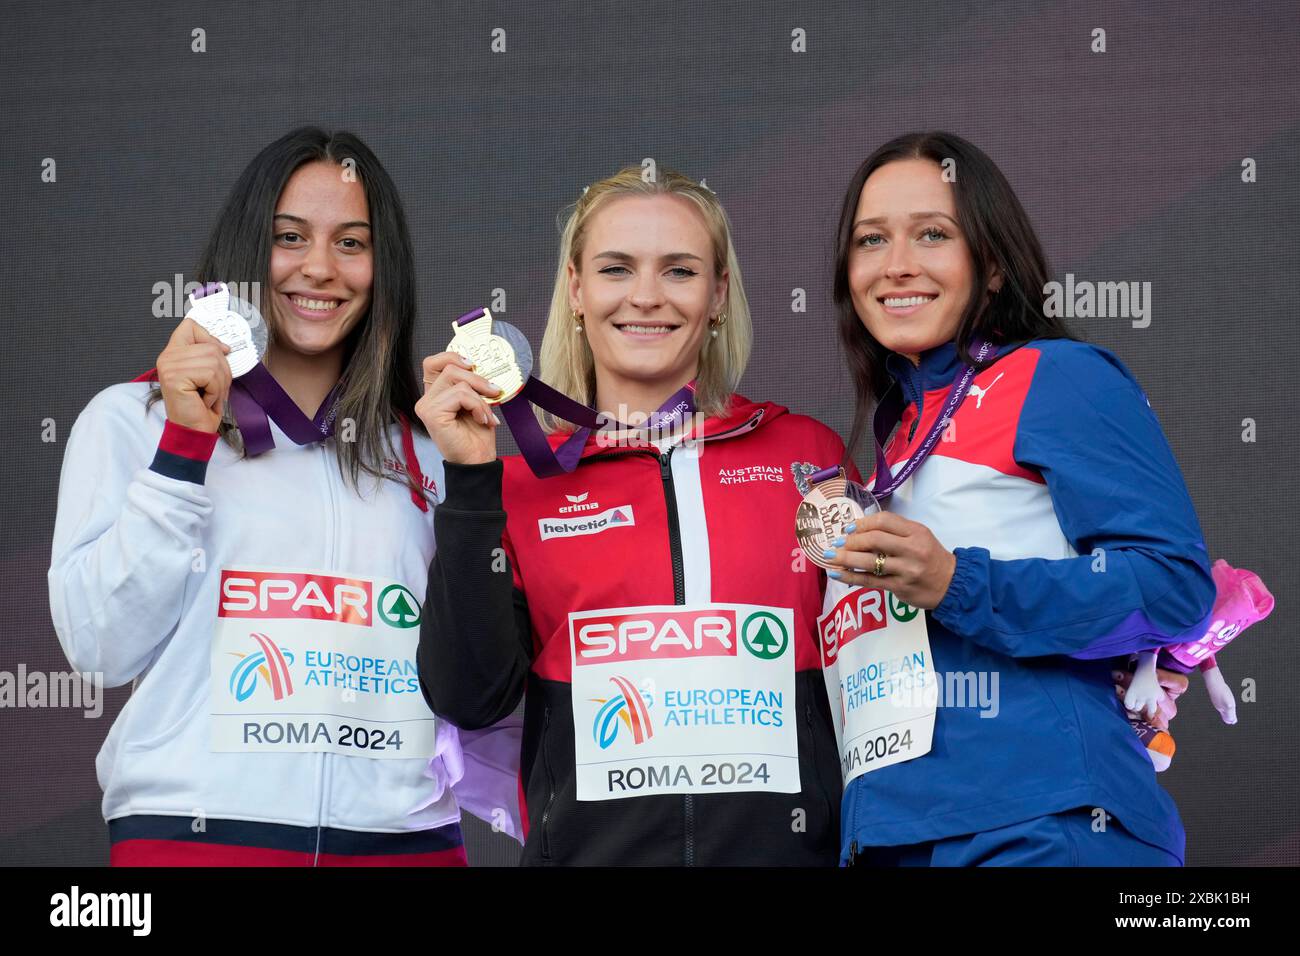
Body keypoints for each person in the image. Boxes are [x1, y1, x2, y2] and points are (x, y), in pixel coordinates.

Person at [48, 127, 518, 866]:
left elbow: (480, 681)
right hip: (197, 838)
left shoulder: (433, 448)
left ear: (383, 266)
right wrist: (184, 449)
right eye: (289, 237)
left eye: (353, 244)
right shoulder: (131, 420)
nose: (320, 269)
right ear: (246, 251)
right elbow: (101, 648)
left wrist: (470, 486)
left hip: (404, 846)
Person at [416, 166, 846, 865]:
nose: (646, 296)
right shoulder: (522, 486)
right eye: (617, 268)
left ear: (718, 296)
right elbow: (470, 697)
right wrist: (470, 476)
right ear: (578, 292)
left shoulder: (808, 456)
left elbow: (869, 676)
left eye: (679, 271)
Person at [821, 131, 1215, 866]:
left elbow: (1174, 587)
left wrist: (959, 583)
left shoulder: (1056, 376)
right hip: (896, 837)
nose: (896, 264)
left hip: (1045, 826)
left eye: (933, 234)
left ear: (994, 265)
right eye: (870, 240)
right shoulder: (894, 436)